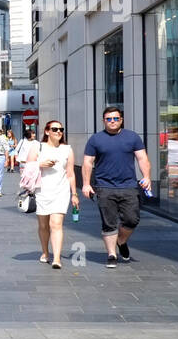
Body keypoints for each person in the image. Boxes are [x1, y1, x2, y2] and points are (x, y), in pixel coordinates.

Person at [82, 106, 151, 269]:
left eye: (115, 118)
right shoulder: (96, 139)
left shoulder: (132, 137)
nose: (112, 121)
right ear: (103, 121)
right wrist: (86, 184)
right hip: (104, 187)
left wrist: (147, 177)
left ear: (121, 120)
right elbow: (87, 162)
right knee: (109, 223)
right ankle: (111, 254)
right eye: (109, 119)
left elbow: (142, 158)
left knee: (132, 220)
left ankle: (121, 241)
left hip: (129, 185)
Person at [32, 120, 78, 269]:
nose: (59, 131)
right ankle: (45, 252)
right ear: (47, 131)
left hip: (61, 191)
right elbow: (26, 165)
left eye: (61, 129)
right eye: (55, 129)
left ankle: (57, 258)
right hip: (42, 190)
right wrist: (40, 164)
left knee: (56, 224)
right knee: (43, 225)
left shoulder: (67, 149)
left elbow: (70, 173)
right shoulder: (38, 147)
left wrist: (74, 194)